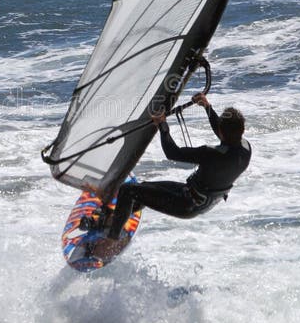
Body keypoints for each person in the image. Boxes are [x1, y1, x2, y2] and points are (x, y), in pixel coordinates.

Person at [92, 93, 252, 261]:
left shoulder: (211, 154)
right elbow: (224, 133)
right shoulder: (245, 148)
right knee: (143, 188)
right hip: (202, 200)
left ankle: (110, 243)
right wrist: (207, 107)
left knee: (128, 190)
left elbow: (172, 153)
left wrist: (163, 125)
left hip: (186, 203)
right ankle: (113, 221)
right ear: (241, 130)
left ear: (222, 132)